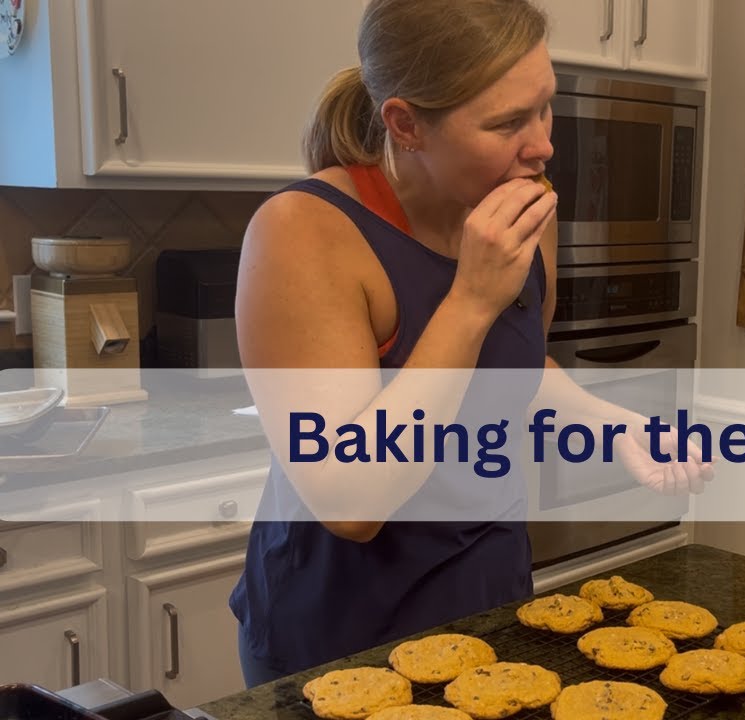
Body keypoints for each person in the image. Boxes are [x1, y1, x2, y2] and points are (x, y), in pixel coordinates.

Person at [229, 0, 713, 686]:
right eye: (508, 122)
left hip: (489, 596)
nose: (542, 143)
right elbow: (351, 502)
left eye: (544, 107)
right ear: (405, 123)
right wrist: (471, 299)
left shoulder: (521, 206)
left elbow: (509, 369)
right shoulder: (303, 232)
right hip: (343, 629)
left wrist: (616, 426)